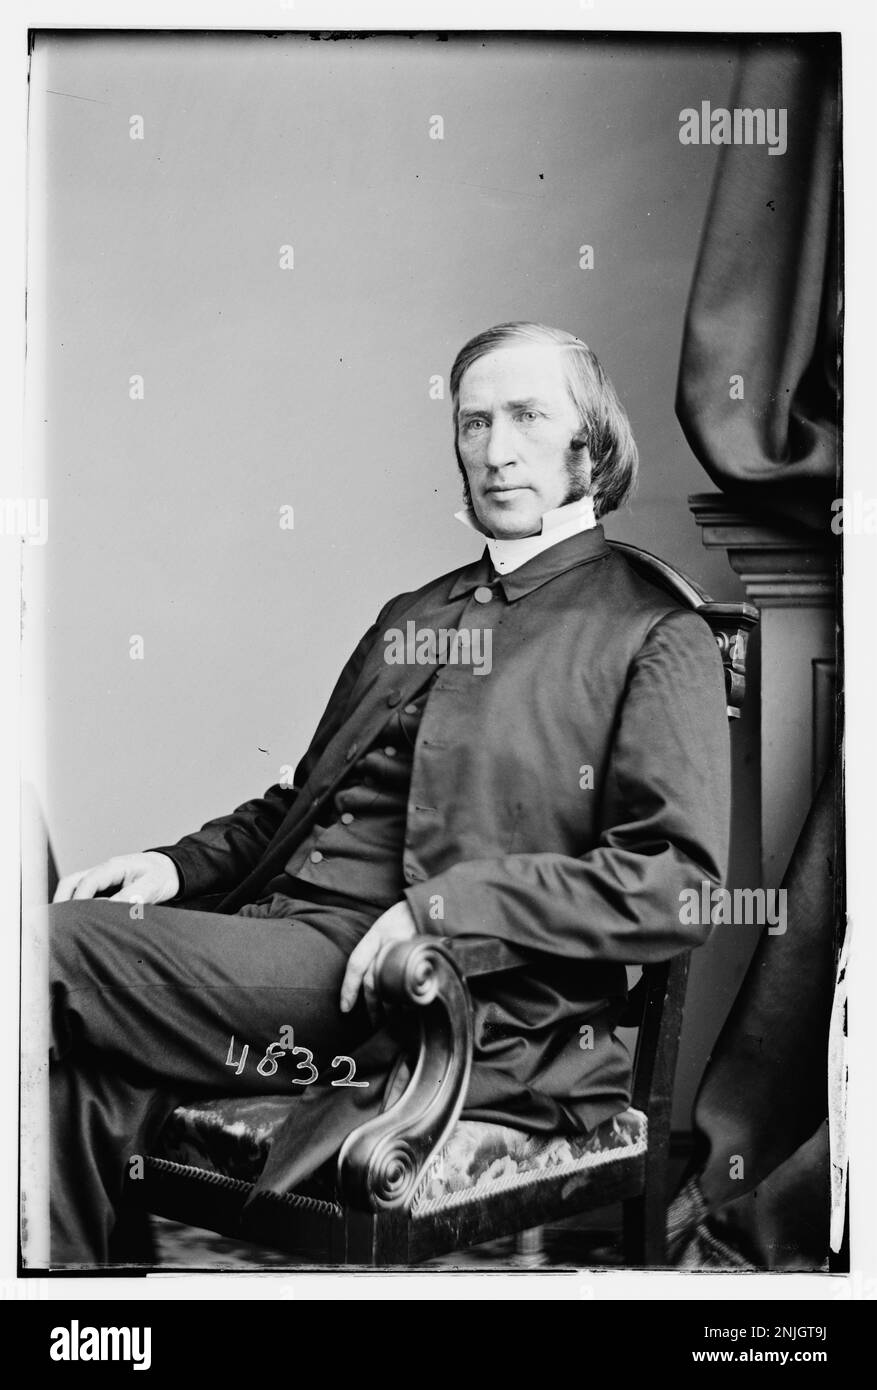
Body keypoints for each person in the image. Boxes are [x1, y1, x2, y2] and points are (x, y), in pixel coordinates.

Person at [48, 321, 730, 1266]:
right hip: (271, 953)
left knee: (46, 945)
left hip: (415, 997)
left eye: (528, 417)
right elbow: (295, 806)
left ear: (593, 443)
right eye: (472, 423)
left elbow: (673, 884)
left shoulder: (652, 637)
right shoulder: (412, 616)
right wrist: (170, 866)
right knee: (75, 1084)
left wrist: (440, 912)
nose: (494, 451)